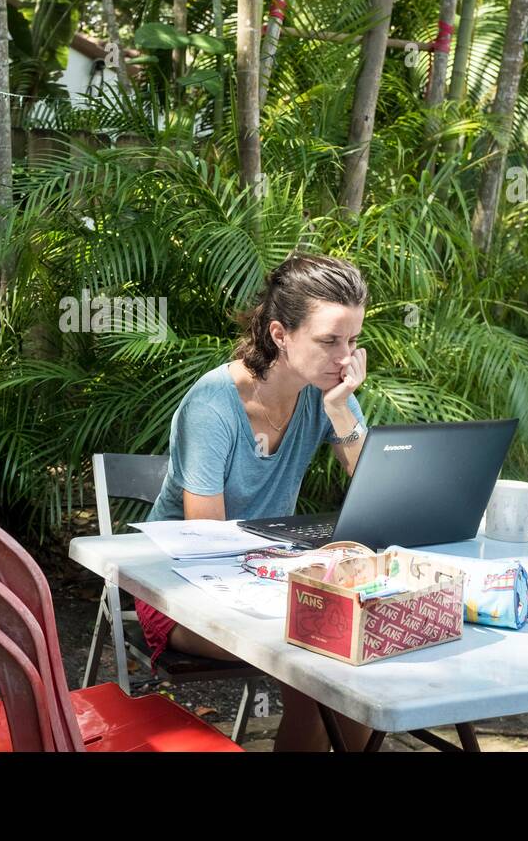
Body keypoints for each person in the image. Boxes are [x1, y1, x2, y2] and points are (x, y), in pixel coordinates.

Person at [136, 251, 374, 751]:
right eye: (329, 341)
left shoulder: (327, 390)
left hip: (269, 582)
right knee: (326, 649)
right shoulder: (213, 404)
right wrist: (305, 564)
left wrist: (340, 409)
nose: (344, 357)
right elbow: (206, 542)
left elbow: (373, 487)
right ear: (280, 334)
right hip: (179, 589)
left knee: (350, 648)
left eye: (352, 341)